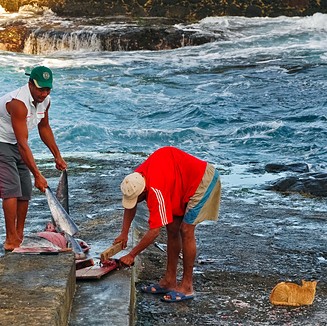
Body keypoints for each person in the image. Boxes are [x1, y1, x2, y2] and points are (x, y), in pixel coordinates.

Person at [114, 146, 221, 303]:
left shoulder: (155, 191)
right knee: (172, 228)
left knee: (186, 230)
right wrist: (124, 233)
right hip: (179, 182)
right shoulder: (136, 177)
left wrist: (132, 254)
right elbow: (132, 204)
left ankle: (187, 286)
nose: (135, 202)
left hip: (202, 182)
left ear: (144, 192)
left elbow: (154, 231)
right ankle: (169, 281)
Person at [0, 66, 67, 251]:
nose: (44, 93)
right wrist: (37, 174)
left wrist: (57, 156)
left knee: (25, 190)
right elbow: (23, 143)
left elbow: (44, 128)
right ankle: (10, 239)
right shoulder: (18, 103)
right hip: (2, 142)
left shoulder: (46, 101)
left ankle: (19, 236)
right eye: (40, 89)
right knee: (11, 190)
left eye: (47, 89)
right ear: (30, 84)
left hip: (17, 142)